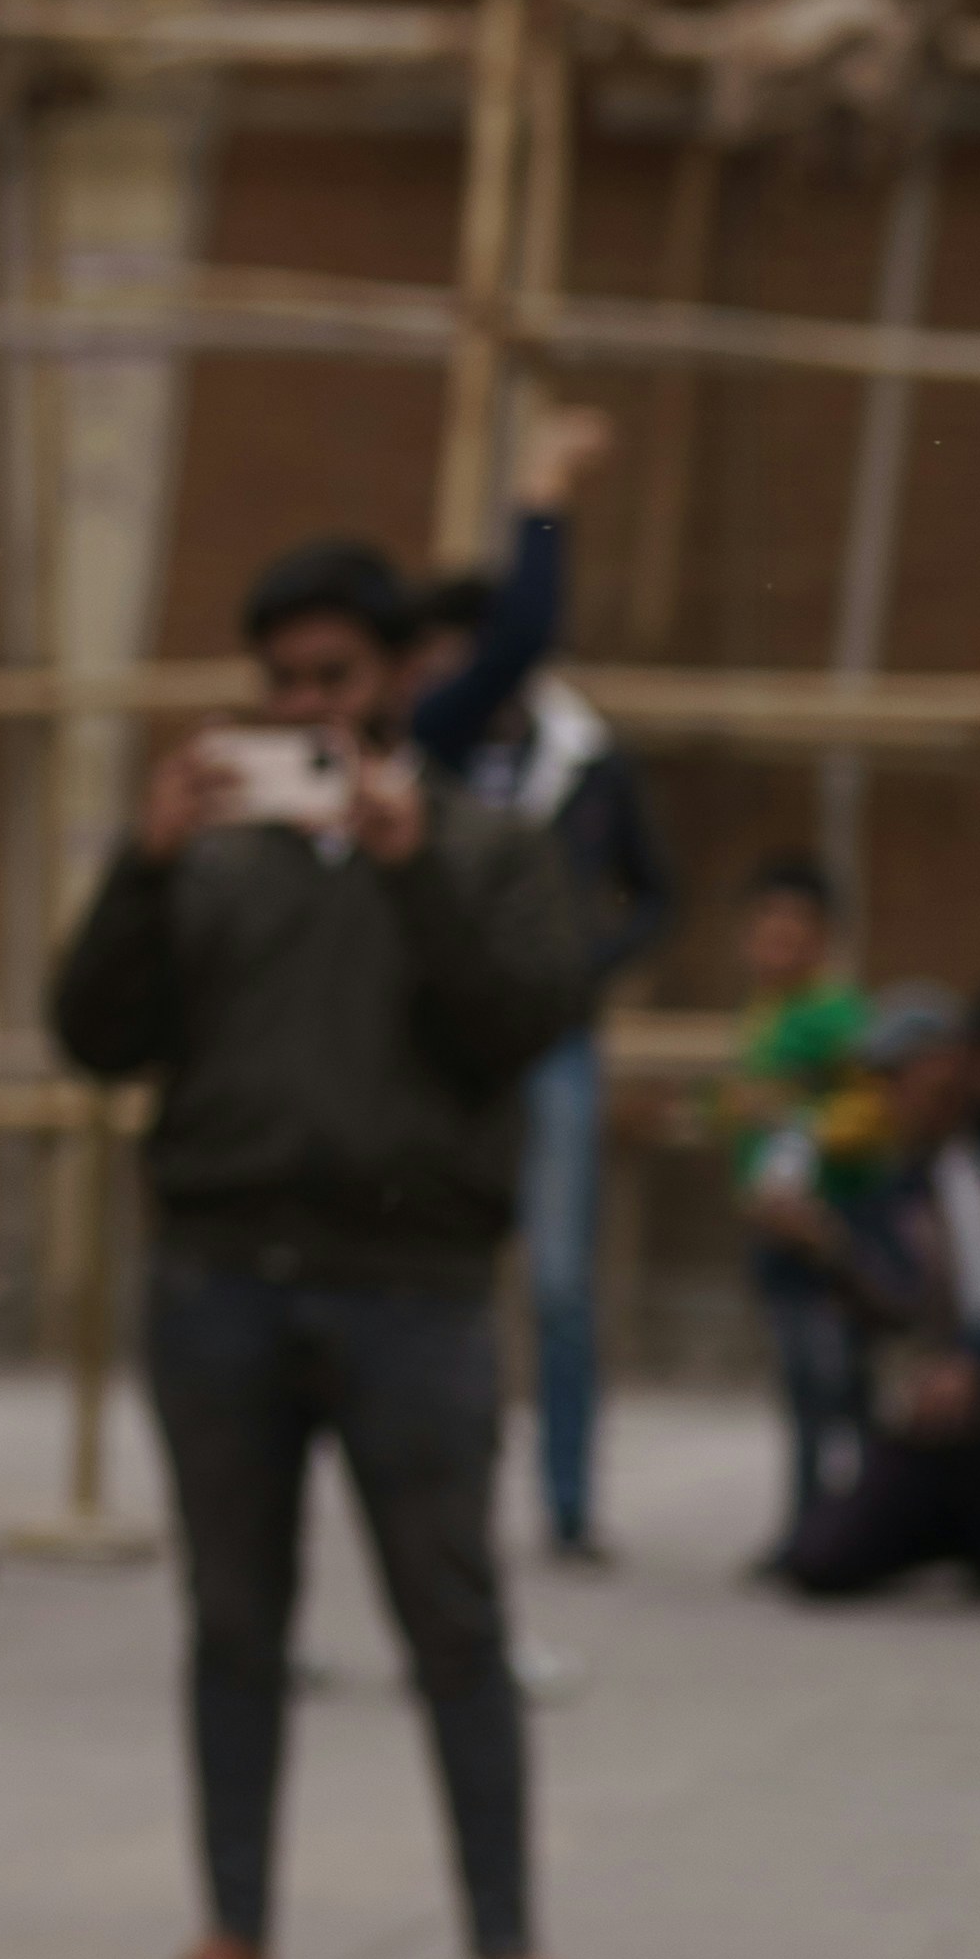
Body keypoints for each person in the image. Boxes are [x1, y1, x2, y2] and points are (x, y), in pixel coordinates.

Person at [49, 533, 612, 1959]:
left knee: (453, 1620)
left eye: (338, 681)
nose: (311, 710)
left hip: (410, 1290)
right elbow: (94, 1035)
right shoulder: (215, 848)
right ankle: (234, 1933)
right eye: (284, 683)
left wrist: (412, 869)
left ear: (397, 685)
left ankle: (507, 1950)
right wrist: (142, 866)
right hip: (223, 1277)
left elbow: (517, 1026)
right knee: (235, 1619)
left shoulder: (485, 848)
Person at [400, 512, 671, 1571]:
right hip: (445, 1041)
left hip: (552, 1038)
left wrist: (586, 961)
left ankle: (566, 1499)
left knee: (559, 1279)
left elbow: (656, 890)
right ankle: (436, 1484)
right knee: (439, 1260)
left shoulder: (587, 759)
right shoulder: (430, 752)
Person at [781, 976, 980, 1600]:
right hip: (948, 1410)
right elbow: (894, 1308)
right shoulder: (895, 1189)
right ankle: (963, 1532)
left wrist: (978, 1361)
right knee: (821, 1559)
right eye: (887, 1082)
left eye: (909, 1075)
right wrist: (825, 1250)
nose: (899, 1097)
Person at [720, 852, 880, 1564]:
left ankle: (853, 1518)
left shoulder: (840, 1016)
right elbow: (746, 1112)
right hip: (772, 1229)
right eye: (765, 928)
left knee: (836, 1379)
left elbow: (871, 1108)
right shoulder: (760, 1014)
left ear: (824, 937)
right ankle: (811, 1522)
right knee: (799, 1384)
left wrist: (803, 1118)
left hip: (826, 1228)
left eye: (794, 929)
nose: (776, 943)